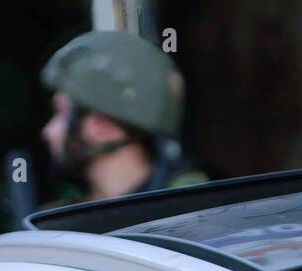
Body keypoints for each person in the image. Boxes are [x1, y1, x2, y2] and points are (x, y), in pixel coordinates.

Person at [39, 30, 208, 205]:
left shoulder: (189, 210)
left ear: (104, 128)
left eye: (60, 113)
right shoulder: (61, 221)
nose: (48, 131)